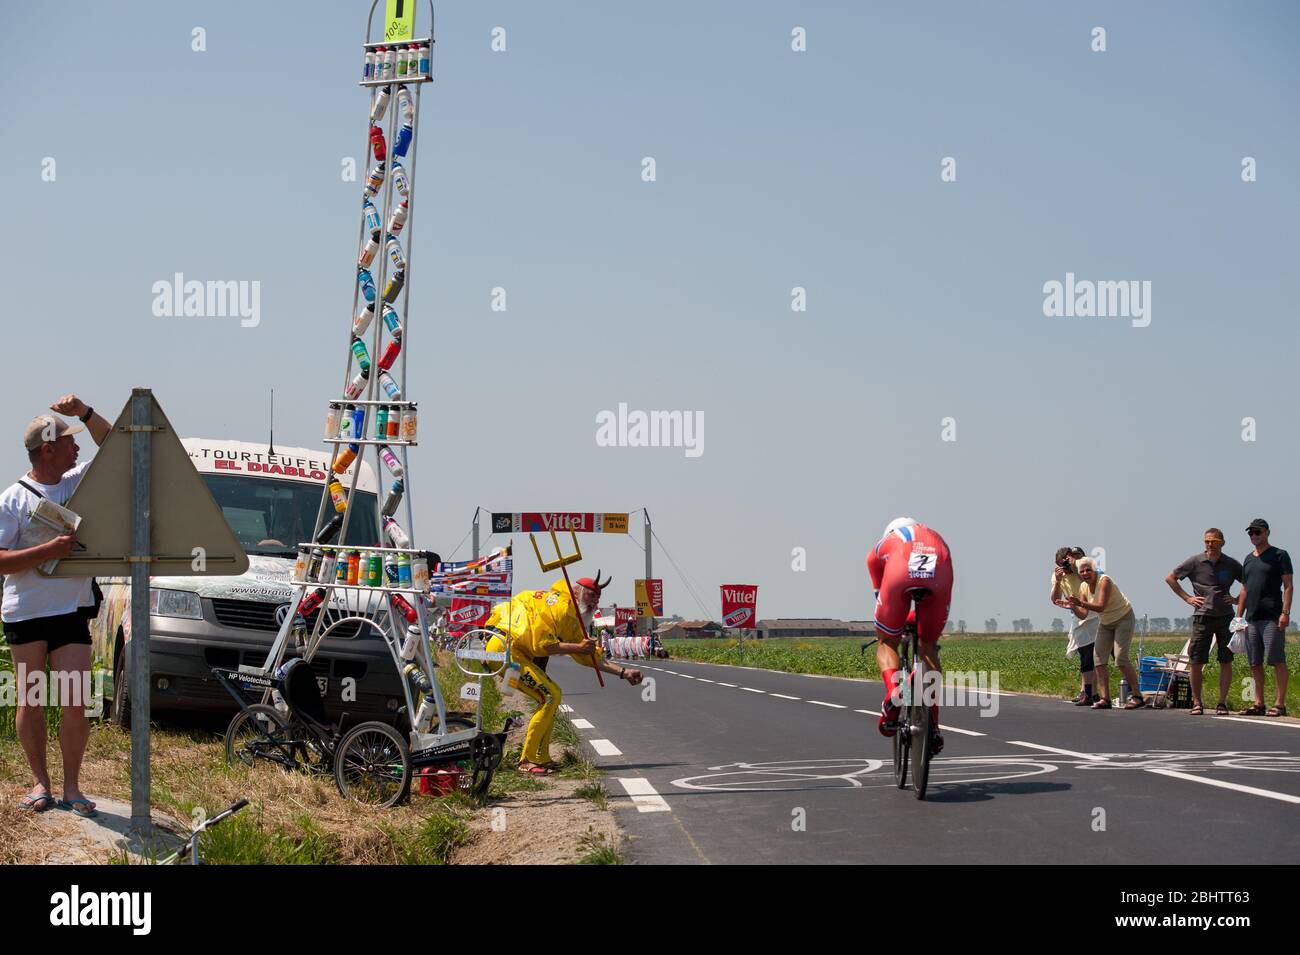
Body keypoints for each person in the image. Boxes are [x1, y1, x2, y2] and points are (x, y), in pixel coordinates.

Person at [0, 396, 111, 816]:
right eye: (69, 441)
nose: (77, 447)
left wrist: (84, 412)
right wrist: (49, 549)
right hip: (26, 611)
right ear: (47, 449)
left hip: (70, 610)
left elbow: (115, 448)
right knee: (30, 699)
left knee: (74, 700)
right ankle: (39, 783)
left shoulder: (74, 482)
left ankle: (72, 787)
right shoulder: (10, 499)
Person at [483, 572, 643, 774]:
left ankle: (541, 757)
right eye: (591, 596)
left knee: (551, 697)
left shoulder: (574, 619)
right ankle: (527, 760)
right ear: (577, 592)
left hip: (518, 654)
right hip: (505, 649)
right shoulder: (557, 606)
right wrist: (578, 648)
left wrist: (623, 672)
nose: (595, 602)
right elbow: (544, 646)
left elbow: (588, 656)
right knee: (549, 696)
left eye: (598, 598)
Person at [869, 517, 954, 753]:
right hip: (940, 573)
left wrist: (891, 628)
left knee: (886, 641)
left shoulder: (884, 544)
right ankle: (933, 727)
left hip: (899, 574)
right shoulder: (935, 536)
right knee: (928, 646)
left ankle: (896, 691)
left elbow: (880, 597)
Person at [1165, 528, 1242, 715]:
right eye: (1207, 541)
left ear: (1222, 543)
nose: (1210, 545)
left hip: (1225, 616)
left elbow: (1249, 582)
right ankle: (1197, 702)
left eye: (1214, 541)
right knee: (1197, 660)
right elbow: (1170, 578)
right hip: (1202, 616)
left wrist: (1237, 599)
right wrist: (1187, 598)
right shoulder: (1195, 561)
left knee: (1226, 660)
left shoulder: (1231, 564)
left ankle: (1222, 703)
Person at [1068, 558, 1145, 709]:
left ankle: (1137, 696)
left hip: (1123, 618)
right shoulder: (1083, 587)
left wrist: (1080, 603)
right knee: (1099, 660)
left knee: (1121, 659)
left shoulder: (1104, 581)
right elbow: (1083, 614)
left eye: (1088, 570)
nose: (1085, 573)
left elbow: (1100, 606)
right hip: (1106, 622)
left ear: (1094, 570)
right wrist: (1073, 606)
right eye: (1082, 571)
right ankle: (1105, 698)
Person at [1234, 519, 1291, 717]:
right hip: (1251, 617)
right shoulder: (1248, 559)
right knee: (1254, 662)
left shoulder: (1279, 555)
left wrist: (1285, 613)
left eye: (1257, 532)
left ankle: (1280, 703)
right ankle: (1258, 703)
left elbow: (1288, 586)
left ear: (1267, 532)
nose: (1254, 536)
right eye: (1250, 533)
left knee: (1276, 659)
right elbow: (1243, 589)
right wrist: (1238, 617)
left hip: (1272, 617)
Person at [1052, 546, 1099, 705]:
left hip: (1093, 611)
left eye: (1066, 561)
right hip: (1077, 613)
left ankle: (1091, 692)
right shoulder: (1058, 576)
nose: (1064, 566)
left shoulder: (1083, 571)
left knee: (1096, 655)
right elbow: (1054, 598)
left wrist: (1074, 567)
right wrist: (1058, 581)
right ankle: (1088, 692)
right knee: (1085, 654)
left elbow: (1090, 583)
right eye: (1061, 563)